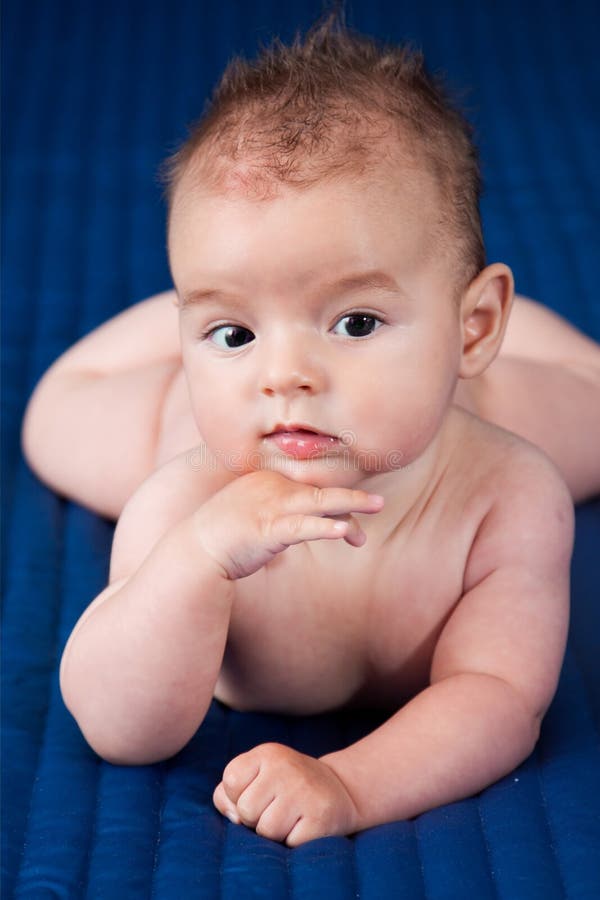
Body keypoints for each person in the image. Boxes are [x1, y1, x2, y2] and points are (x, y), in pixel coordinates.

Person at [21, 13, 600, 846]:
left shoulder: (505, 496)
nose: (284, 375)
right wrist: (198, 561)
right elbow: (120, 728)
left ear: (476, 329)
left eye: (356, 321)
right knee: (55, 413)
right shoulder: (182, 504)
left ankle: (350, 310)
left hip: (471, 403)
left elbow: (500, 696)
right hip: (192, 425)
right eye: (233, 333)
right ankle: (202, 311)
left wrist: (349, 785)